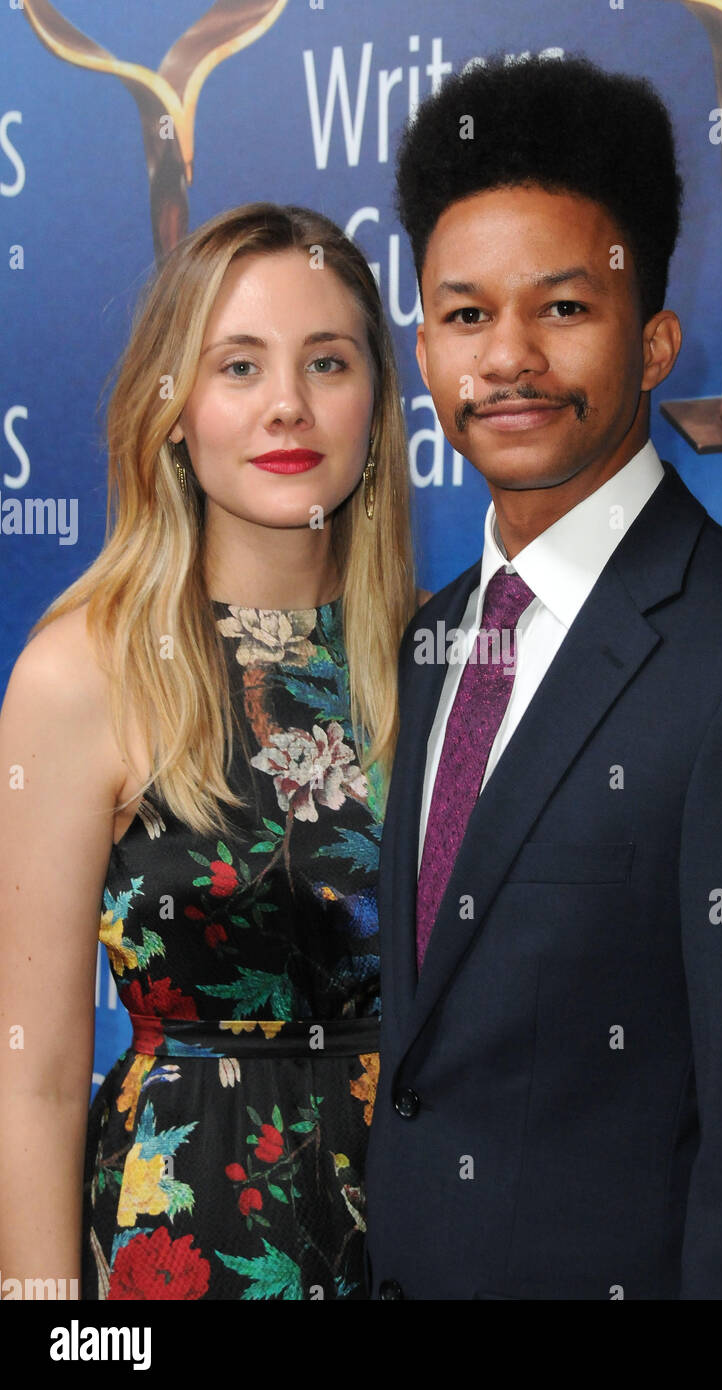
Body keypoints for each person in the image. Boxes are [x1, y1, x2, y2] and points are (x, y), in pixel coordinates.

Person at [365, 56, 722, 1300]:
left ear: (657, 340)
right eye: (464, 315)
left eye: (563, 308)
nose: (506, 358)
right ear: (424, 350)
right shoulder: (431, 640)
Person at [0, 203, 419, 1300]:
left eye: (327, 361)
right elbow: (32, 1075)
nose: (288, 404)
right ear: (175, 410)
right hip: (177, 1250)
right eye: (239, 366)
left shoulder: (445, 658)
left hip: (432, 1232)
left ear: (378, 401)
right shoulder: (82, 674)